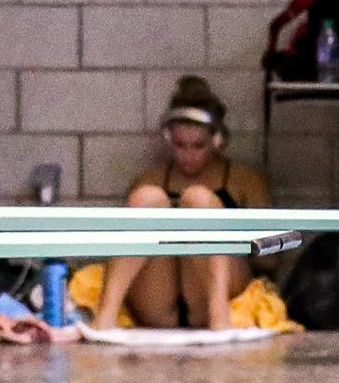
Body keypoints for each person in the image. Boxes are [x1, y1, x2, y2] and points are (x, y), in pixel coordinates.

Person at [92, 76, 273, 331]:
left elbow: (270, 260)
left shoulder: (244, 180)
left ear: (217, 141)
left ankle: (219, 318)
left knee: (197, 199)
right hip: (159, 298)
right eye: (180, 145)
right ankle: (105, 317)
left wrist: (217, 237)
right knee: (146, 198)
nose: (188, 155)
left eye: (198, 145)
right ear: (168, 139)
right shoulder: (151, 180)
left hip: (214, 294)